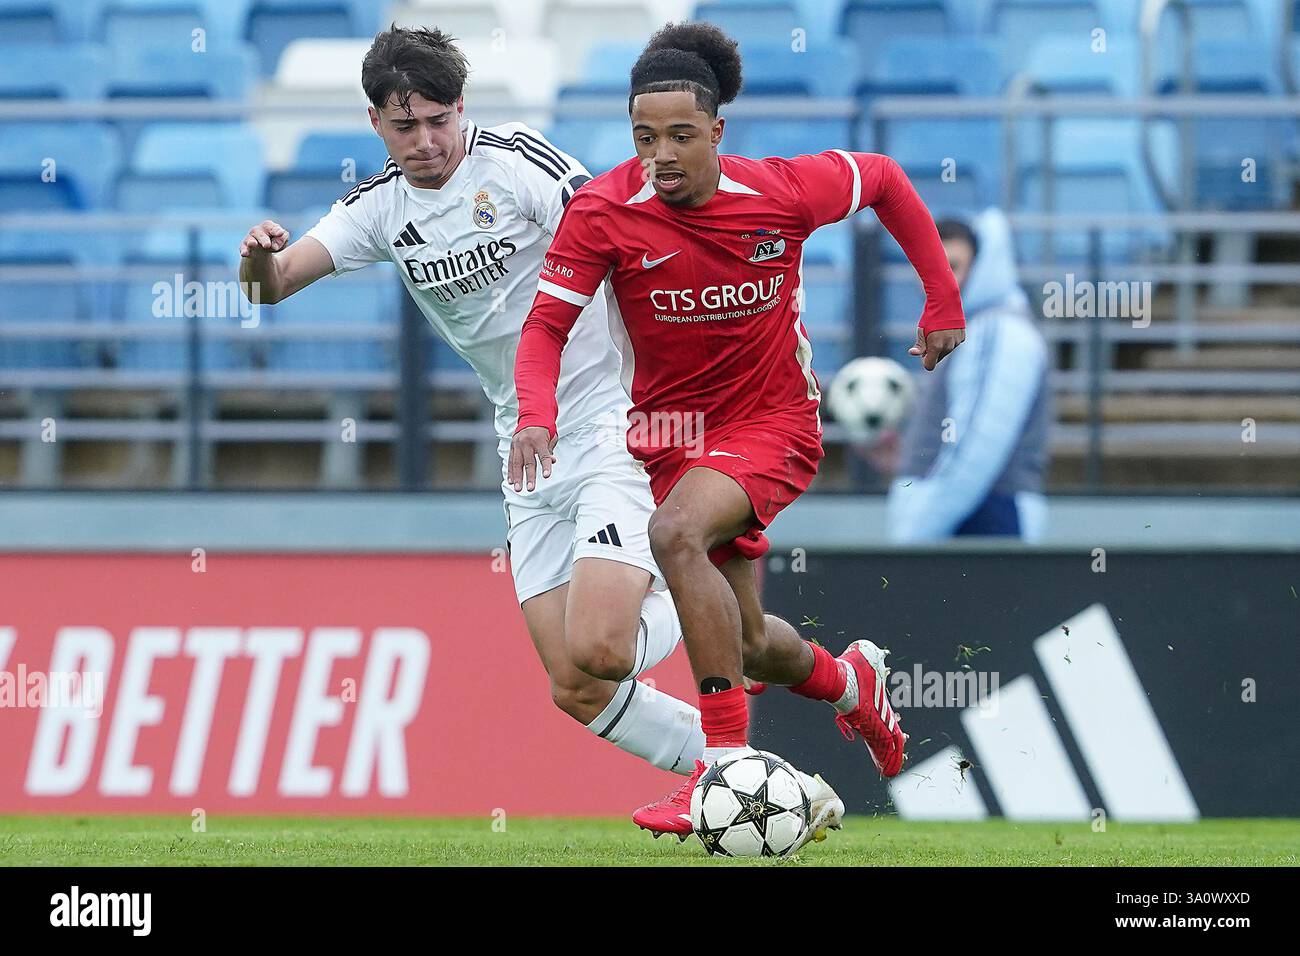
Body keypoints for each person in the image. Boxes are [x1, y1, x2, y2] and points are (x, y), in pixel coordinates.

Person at [511, 22, 966, 839]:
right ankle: (848, 681)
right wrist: (537, 416)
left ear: (718, 131)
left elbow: (889, 180)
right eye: (645, 138)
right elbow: (545, 328)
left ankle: (722, 767)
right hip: (671, 440)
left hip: (772, 422)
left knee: (674, 535)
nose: (663, 155)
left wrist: (940, 299)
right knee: (749, 644)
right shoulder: (604, 212)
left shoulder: (785, 191)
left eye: (682, 136)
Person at [237, 26, 708, 788]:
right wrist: (256, 257)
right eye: (404, 126)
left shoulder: (518, 163)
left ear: (462, 107)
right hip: (523, 446)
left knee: (603, 648)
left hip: (611, 421)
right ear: (374, 125)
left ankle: (700, 582)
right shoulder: (377, 209)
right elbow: (273, 285)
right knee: (577, 685)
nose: (425, 142)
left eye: (438, 120)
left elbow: (623, 238)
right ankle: (734, 771)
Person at [887, 209, 1051, 541]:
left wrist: (910, 539)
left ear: (983, 266)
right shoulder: (975, 329)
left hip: (989, 522)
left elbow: (972, 457)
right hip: (972, 519)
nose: (941, 278)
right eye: (928, 267)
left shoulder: (997, 330)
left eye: (954, 265)